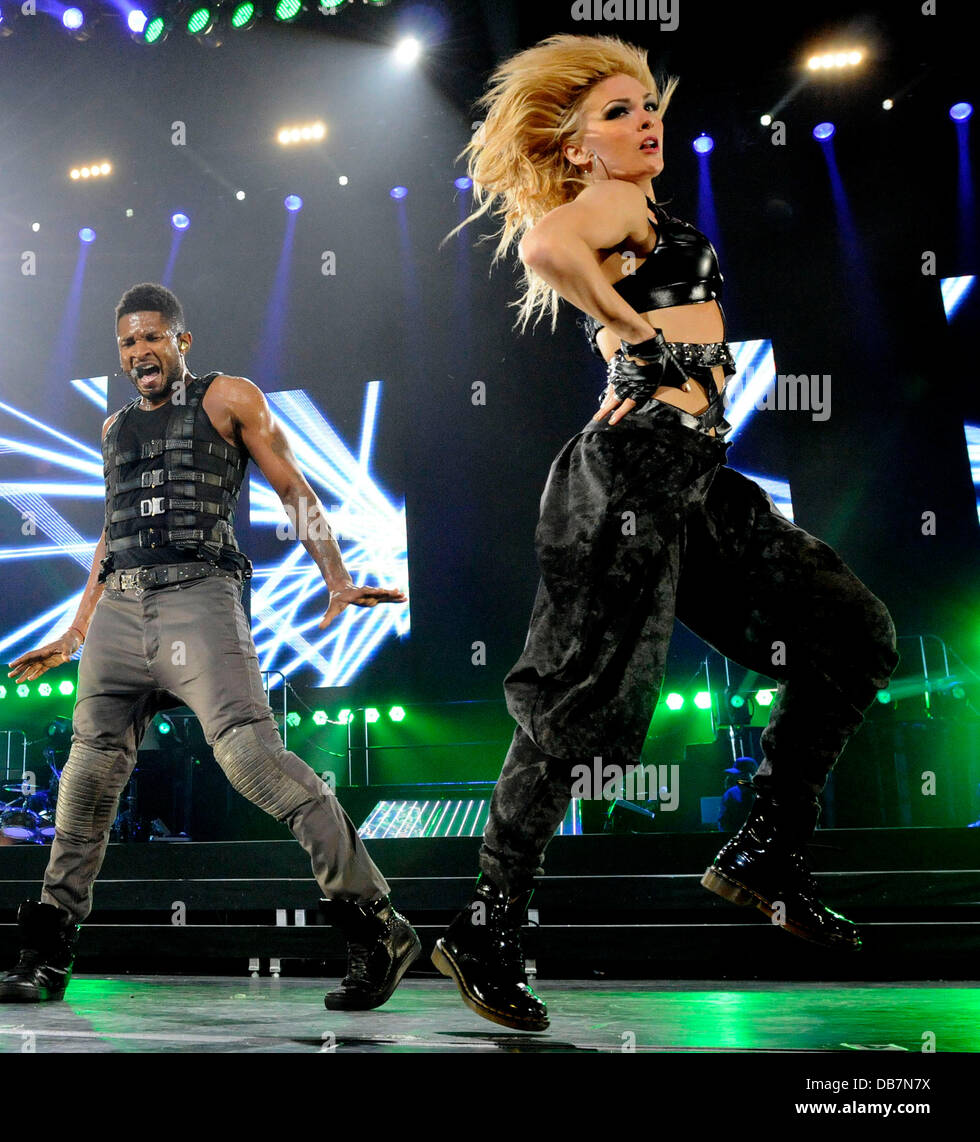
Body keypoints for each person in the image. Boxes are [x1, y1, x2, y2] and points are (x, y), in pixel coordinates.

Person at [429, 35, 898, 1032]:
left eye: (647, 105)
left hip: (693, 475)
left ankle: (767, 851)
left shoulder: (650, 214)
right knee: (575, 708)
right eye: (614, 112)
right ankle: (486, 925)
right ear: (578, 144)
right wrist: (634, 334)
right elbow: (544, 247)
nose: (643, 121)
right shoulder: (605, 209)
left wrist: (645, 338)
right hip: (632, 472)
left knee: (853, 633)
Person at [0, 283, 418, 1009]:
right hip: (121, 611)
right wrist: (74, 631)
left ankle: (376, 925)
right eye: (128, 342)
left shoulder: (230, 397)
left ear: (181, 341)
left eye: (152, 337)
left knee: (256, 763)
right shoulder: (114, 428)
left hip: (200, 598)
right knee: (85, 783)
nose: (139, 353)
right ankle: (46, 953)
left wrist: (338, 579)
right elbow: (111, 534)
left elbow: (295, 490)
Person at [718, 756, 758, 835]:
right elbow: (723, 821)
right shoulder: (730, 793)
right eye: (736, 775)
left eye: (741, 774)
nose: (737, 777)